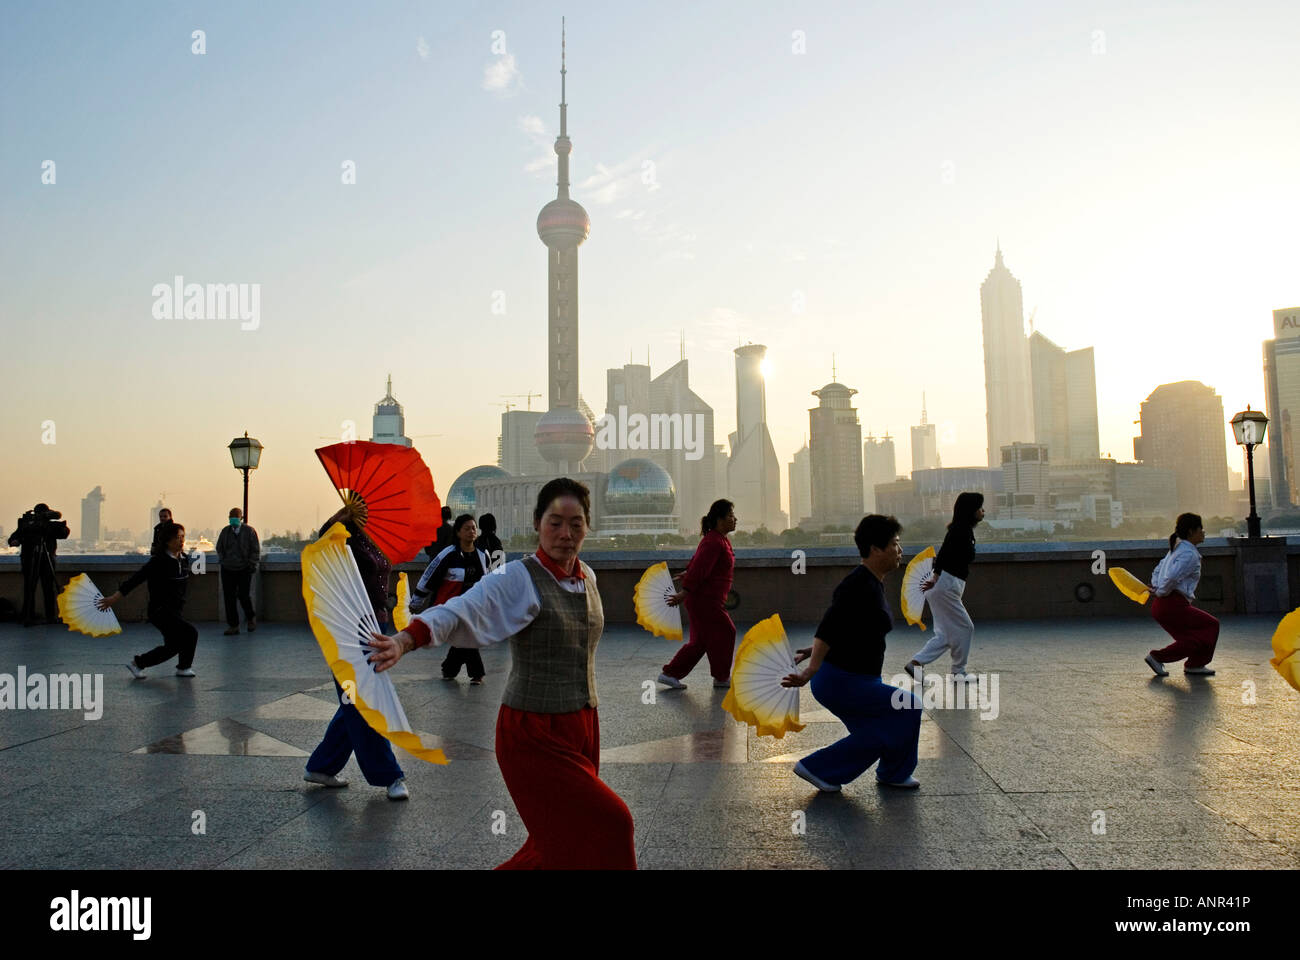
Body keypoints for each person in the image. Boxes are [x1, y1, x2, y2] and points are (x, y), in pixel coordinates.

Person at [367, 478, 636, 869]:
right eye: (555, 522)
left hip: (582, 726)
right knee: (613, 822)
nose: (566, 534)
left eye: (576, 523)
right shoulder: (518, 579)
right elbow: (462, 610)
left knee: (556, 843)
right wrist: (406, 640)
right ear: (537, 523)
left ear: (588, 526)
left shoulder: (588, 578)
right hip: (532, 732)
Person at [781, 514, 923, 792]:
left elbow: (846, 629)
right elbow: (829, 625)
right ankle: (823, 767)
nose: (900, 550)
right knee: (909, 706)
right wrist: (811, 668)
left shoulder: (871, 582)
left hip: (853, 678)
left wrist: (813, 651)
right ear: (875, 549)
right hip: (843, 681)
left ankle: (831, 771)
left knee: (878, 732)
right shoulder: (858, 584)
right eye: (895, 543)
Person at [303, 506, 410, 800]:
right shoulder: (345, 535)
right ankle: (390, 775)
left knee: (354, 699)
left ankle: (322, 766)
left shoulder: (376, 538)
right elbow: (321, 544)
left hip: (375, 625)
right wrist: (341, 517)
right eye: (363, 508)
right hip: (349, 628)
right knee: (367, 698)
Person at [97, 521, 198, 679]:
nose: (181, 540)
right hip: (160, 611)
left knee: (173, 646)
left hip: (175, 610)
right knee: (190, 633)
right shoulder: (159, 561)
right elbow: (136, 579)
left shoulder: (183, 559)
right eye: (178, 537)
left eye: (183, 537)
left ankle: (138, 664)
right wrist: (113, 599)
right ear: (167, 540)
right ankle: (184, 667)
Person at [658, 499, 738, 690]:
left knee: (700, 642)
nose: (735, 519)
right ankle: (720, 677)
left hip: (708, 599)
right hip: (705, 601)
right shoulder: (713, 541)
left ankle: (670, 674)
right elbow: (701, 568)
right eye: (730, 516)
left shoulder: (718, 540)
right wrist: (683, 593)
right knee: (727, 632)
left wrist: (687, 574)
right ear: (719, 519)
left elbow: (704, 565)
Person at [905, 492, 985, 681]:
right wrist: (936, 577)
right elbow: (943, 555)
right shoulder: (960, 531)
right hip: (946, 586)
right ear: (971, 511)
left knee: (946, 635)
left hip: (946, 586)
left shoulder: (961, 529)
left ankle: (916, 663)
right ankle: (958, 671)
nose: (983, 511)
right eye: (980, 508)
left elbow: (944, 554)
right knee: (965, 627)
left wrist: (935, 577)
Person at [415, 514, 489, 684]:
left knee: (466, 636)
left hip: (475, 605)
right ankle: (475, 673)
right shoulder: (448, 555)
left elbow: (489, 579)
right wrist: (417, 600)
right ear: (458, 532)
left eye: (473, 528)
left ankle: (450, 668)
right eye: (467, 528)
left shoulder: (482, 554)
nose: (472, 531)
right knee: (468, 636)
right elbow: (430, 577)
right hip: (453, 605)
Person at [1143, 512, 1218, 677]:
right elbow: (1172, 577)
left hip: (1163, 606)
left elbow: (1158, 569)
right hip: (1172, 604)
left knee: (1192, 640)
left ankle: (1193, 664)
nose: (1204, 532)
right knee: (1211, 625)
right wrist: (1161, 591)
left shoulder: (1177, 549)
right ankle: (1162, 658)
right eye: (1201, 528)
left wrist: (1157, 588)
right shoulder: (1189, 554)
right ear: (1191, 531)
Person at [8, 503, 70, 627]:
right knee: (32, 588)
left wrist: (47, 528)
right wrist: (15, 540)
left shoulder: (48, 526)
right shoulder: (27, 525)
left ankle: (48, 616)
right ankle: (29, 615)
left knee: (46, 588)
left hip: (44, 560)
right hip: (30, 559)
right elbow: (14, 538)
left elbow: (64, 533)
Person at [216, 507, 259, 635]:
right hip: (228, 568)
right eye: (231, 516)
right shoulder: (225, 531)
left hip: (244, 568)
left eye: (235, 516)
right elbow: (219, 547)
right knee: (229, 597)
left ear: (241, 518)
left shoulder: (249, 531)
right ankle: (233, 625)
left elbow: (255, 549)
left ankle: (250, 618)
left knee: (243, 595)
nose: (233, 518)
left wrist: (251, 564)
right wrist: (224, 560)